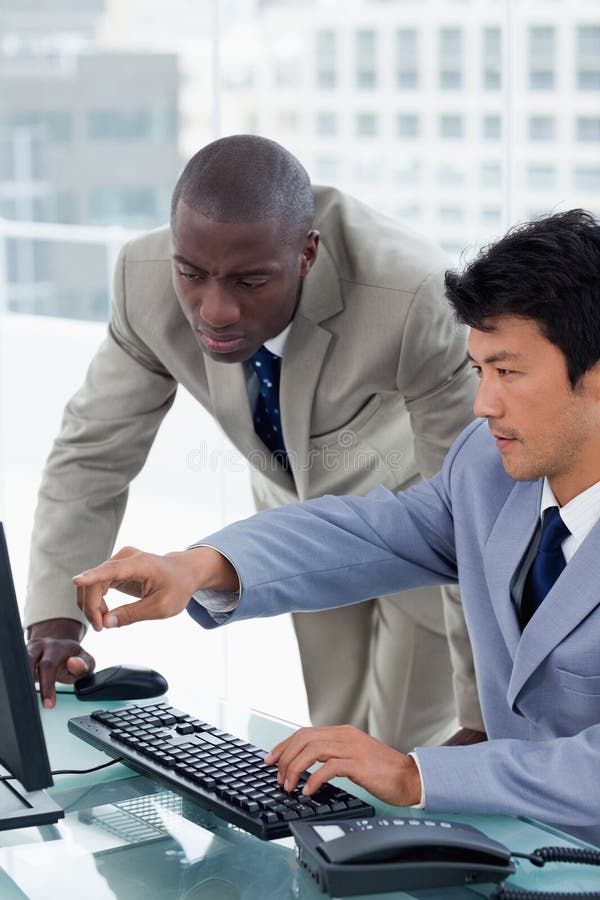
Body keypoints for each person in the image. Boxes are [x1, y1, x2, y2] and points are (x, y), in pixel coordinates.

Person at [74, 209, 600, 846]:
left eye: (508, 372)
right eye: (479, 371)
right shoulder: (484, 468)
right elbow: (369, 533)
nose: (484, 404)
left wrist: (413, 774)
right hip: (520, 849)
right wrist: (196, 567)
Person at [26, 135, 482, 752]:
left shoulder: (412, 296)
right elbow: (93, 454)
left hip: (413, 511)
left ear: (307, 254)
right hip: (295, 522)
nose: (214, 311)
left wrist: (481, 720)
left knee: (402, 744)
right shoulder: (144, 280)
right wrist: (55, 619)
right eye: (192, 275)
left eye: (250, 281)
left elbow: (469, 509)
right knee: (333, 733)